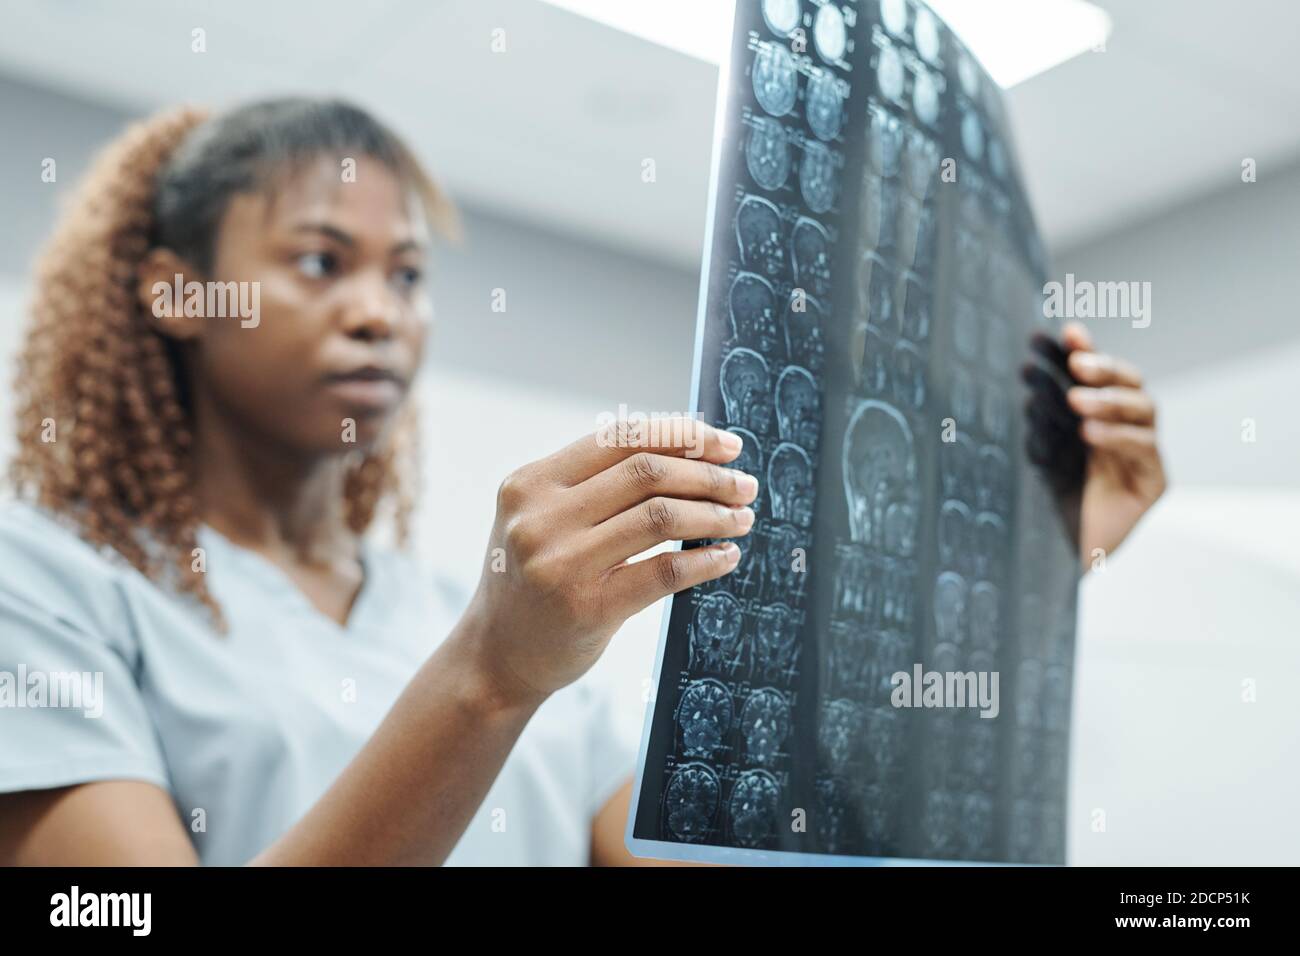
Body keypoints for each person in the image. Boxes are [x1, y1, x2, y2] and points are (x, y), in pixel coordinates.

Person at [0, 98, 1164, 866]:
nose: (377, 311)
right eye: (320, 261)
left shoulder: (454, 605)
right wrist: (485, 679)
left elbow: (772, 849)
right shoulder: (43, 588)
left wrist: (1044, 567)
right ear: (175, 293)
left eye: (407, 273)